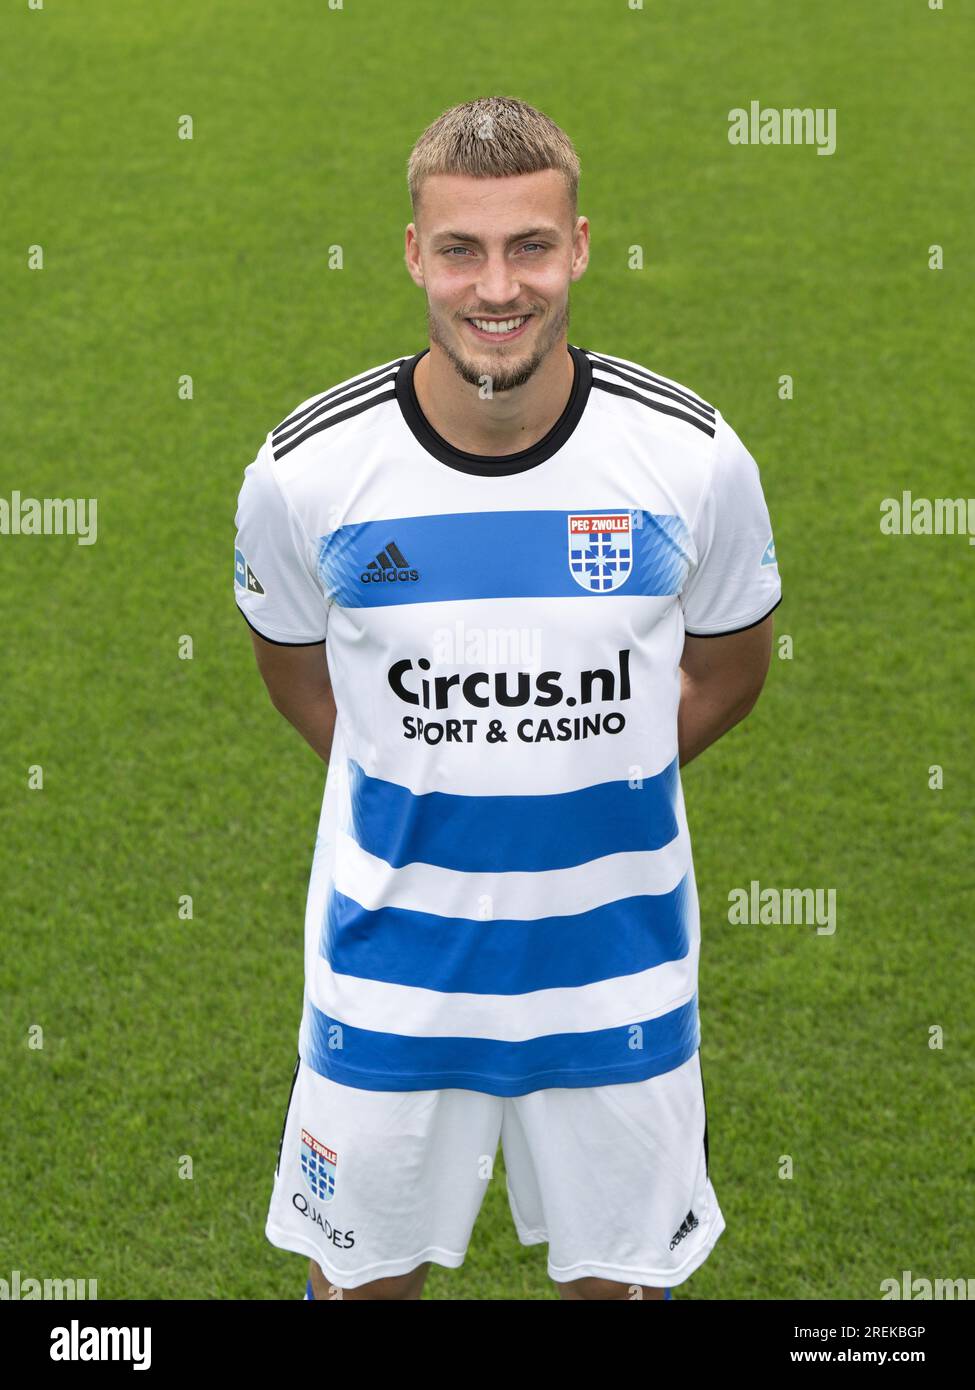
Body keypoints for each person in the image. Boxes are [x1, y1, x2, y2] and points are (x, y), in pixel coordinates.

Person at [233, 95, 781, 1302]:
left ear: (578, 246)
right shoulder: (305, 474)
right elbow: (296, 672)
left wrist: (579, 765)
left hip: (618, 978)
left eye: (529, 246)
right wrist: (444, 766)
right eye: (462, 249)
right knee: (362, 1284)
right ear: (414, 255)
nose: (498, 287)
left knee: (616, 1287)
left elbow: (732, 668)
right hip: (390, 980)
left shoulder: (690, 459)